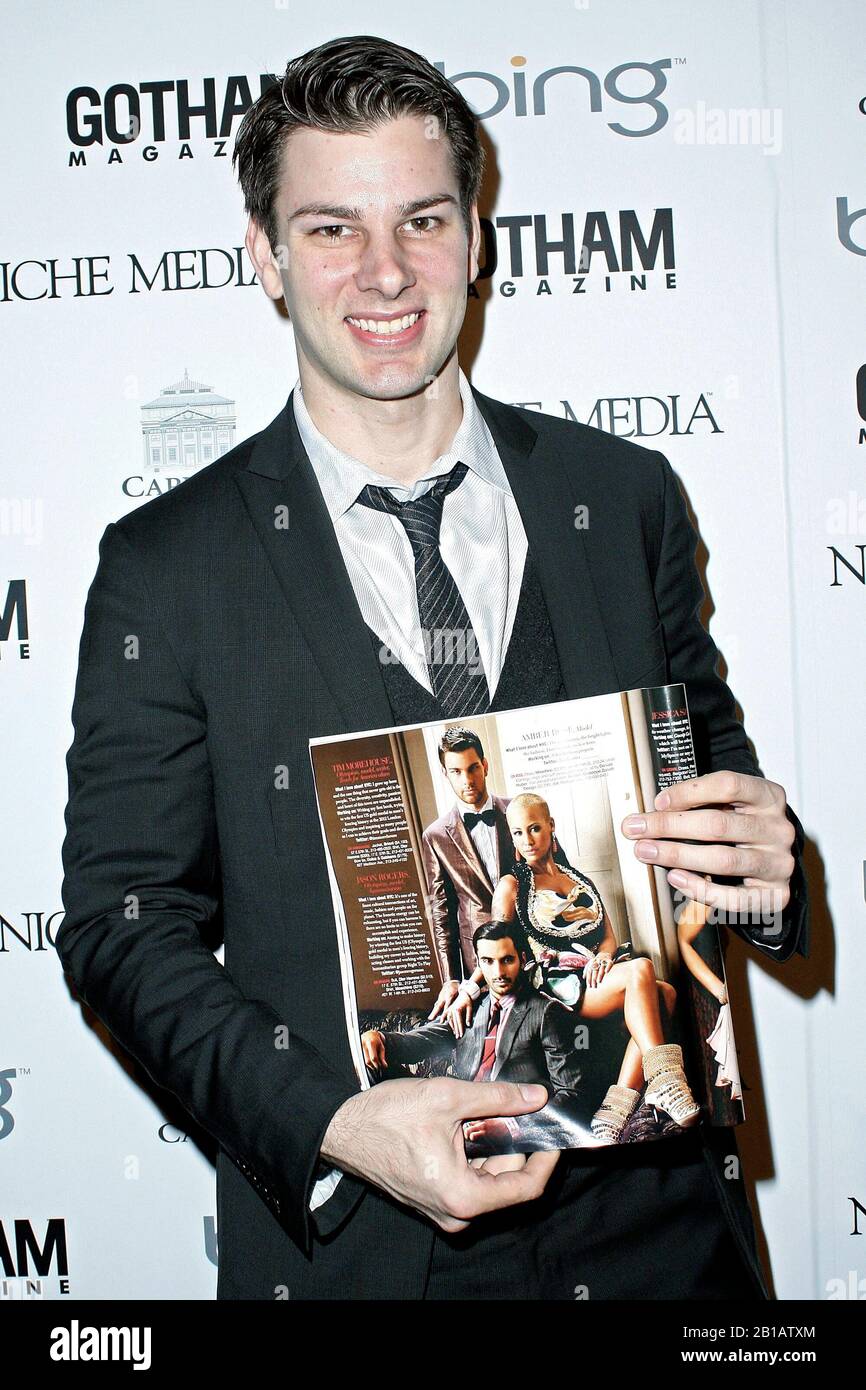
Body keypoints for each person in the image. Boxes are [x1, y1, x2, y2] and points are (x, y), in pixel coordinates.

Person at [58, 34, 809, 1300]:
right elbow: (124, 930)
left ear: (475, 232)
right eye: (331, 228)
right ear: (265, 253)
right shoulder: (165, 566)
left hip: (665, 1256)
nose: (386, 271)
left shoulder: (619, 497)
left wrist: (762, 871)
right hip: (363, 1260)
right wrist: (336, 1126)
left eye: (421, 218)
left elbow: (713, 803)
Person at [449, 793, 696, 1142]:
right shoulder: (513, 885)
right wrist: (470, 989)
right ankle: (667, 1081)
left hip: (592, 973)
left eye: (534, 828)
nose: (528, 839)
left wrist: (605, 957)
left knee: (665, 992)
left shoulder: (577, 878)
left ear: (551, 826)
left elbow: (608, 936)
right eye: (518, 833)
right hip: (556, 983)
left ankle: (614, 1112)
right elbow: (494, 945)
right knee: (641, 968)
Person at [362, 921, 592, 1155]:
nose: (498, 973)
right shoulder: (472, 1007)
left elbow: (572, 1094)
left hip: (502, 1122)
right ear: (480, 964)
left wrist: (512, 1128)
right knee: (371, 1064)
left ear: (522, 960)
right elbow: (423, 1041)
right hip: (457, 1112)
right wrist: (381, 1038)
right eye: (488, 962)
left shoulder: (545, 1012)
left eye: (507, 960)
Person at [421, 727, 514, 1010]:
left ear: (485, 765)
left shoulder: (518, 810)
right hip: (480, 960)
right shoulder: (435, 836)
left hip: (530, 943)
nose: (468, 780)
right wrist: (450, 979)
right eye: (456, 772)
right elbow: (441, 910)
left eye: (473, 768)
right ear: (445, 774)